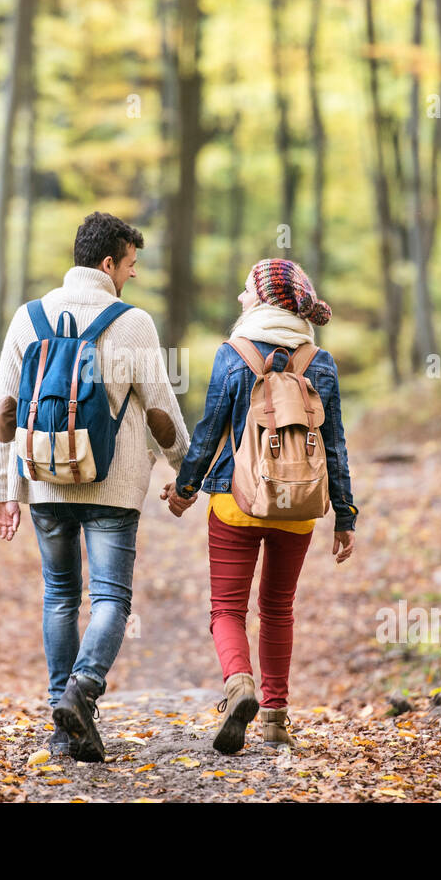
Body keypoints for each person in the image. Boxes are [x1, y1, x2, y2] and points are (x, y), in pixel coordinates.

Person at [0, 212, 193, 762]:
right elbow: (160, 412)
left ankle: (61, 722)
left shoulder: (27, 318)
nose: (132, 275)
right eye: (129, 265)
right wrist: (186, 474)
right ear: (108, 264)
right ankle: (82, 690)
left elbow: (4, 414)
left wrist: (6, 490)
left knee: (59, 596)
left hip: (46, 482)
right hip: (113, 487)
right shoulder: (133, 323)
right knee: (111, 599)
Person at [162, 258, 357, 754]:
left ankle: (238, 685)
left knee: (227, 607)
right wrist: (344, 515)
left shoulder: (234, 353)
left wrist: (185, 490)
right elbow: (334, 444)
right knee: (277, 610)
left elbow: (208, 433)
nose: (240, 299)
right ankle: (275, 717)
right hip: (299, 505)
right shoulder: (321, 361)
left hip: (236, 499)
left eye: (247, 290)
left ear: (266, 298)